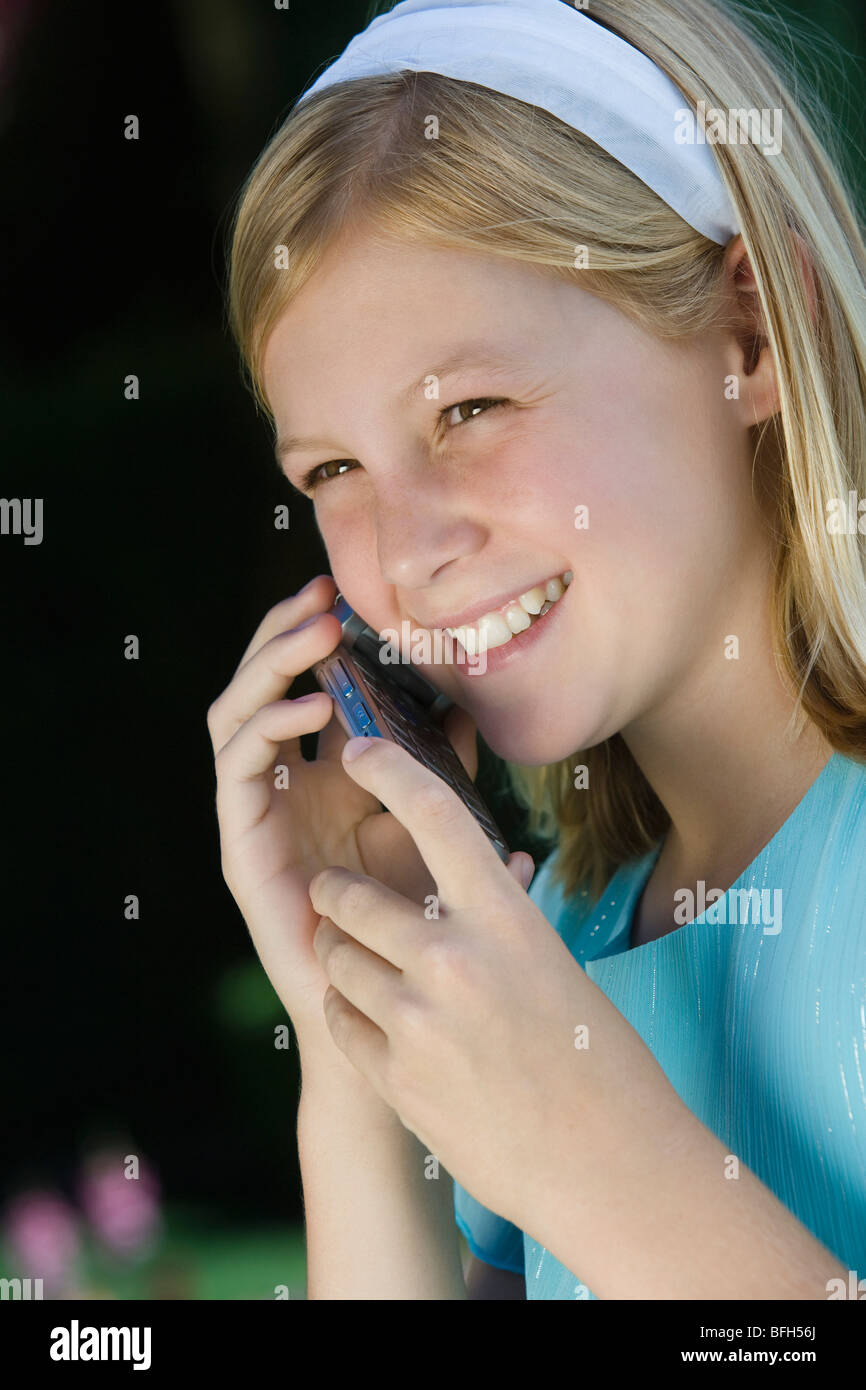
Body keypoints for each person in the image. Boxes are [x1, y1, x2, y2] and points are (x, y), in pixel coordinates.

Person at [206, 0, 866, 1299]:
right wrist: (353, 1030)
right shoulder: (558, 928)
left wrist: (585, 1154)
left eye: (470, 407)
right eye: (332, 467)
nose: (401, 551)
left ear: (748, 330)